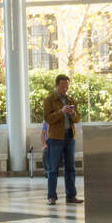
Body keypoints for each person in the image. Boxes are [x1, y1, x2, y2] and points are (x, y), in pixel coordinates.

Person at [43, 75, 82, 205]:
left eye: (67, 86)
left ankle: (71, 196)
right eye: (62, 86)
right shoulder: (49, 100)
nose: (65, 89)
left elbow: (77, 119)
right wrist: (61, 111)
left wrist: (72, 114)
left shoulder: (70, 99)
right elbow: (48, 119)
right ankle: (52, 196)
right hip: (55, 138)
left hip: (70, 137)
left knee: (70, 168)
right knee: (53, 168)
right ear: (57, 86)